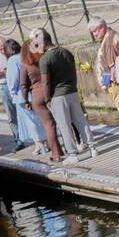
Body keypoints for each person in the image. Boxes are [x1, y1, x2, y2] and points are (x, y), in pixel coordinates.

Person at [37, 29, 95, 163]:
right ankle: (93, 148)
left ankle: (73, 154)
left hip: (58, 95)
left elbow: (45, 82)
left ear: (44, 43)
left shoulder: (45, 59)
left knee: (64, 125)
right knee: (81, 121)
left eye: (37, 44)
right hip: (72, 91)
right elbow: (74, 72)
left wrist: (47, 99)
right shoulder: (67, 52)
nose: (37, 47)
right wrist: (73, 86)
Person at [89, 16, 119, 150]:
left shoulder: (109, 40)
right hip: (113, 84)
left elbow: (111, 67)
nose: (94, 34)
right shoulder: (107, 38)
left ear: (102, 27)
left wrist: (106, 83)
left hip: (115, 84)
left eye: (95, 31)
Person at [21, 35, 64, 162]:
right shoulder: (44, 59)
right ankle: (68, 148)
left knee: (49, 125)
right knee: (61, 121)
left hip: (37, 97)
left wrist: (26, 101)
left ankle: (56, 154)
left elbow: (23, 85)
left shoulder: (25, 64)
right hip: (51, 92)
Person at [6, 39, 48, 155]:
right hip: (35, 91)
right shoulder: (27, 56)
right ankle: (47, 141)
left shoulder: (12, 60)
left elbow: (13, 79)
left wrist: (12, 92)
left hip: (22, 95)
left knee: (31, 121)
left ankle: (39, 144)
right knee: (41, 118)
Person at [0, 37, 22, 149]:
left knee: (23, 111)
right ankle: (18, 140)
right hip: (4, 86)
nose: (2, 50)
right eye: (0, 49)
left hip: (17, 85)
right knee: (11, 115)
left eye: (3, 48)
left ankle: (31, 137)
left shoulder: (12, 54)